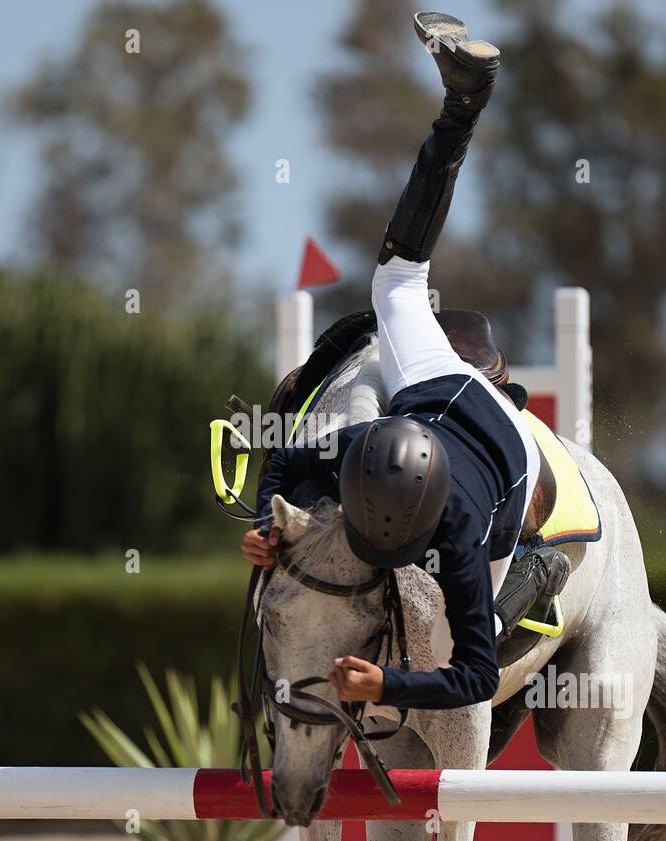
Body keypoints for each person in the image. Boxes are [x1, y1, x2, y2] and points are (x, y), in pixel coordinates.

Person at [242, 11, 540, 711]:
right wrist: (265, 525)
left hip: (506, 455)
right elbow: (285, 459)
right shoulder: (360, 451)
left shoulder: (461, 531)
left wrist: (391, 684)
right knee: (396, 280)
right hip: (440, 383)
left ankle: (536, 574)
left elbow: (477, 677)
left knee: (482, 624)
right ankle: (461, 105)